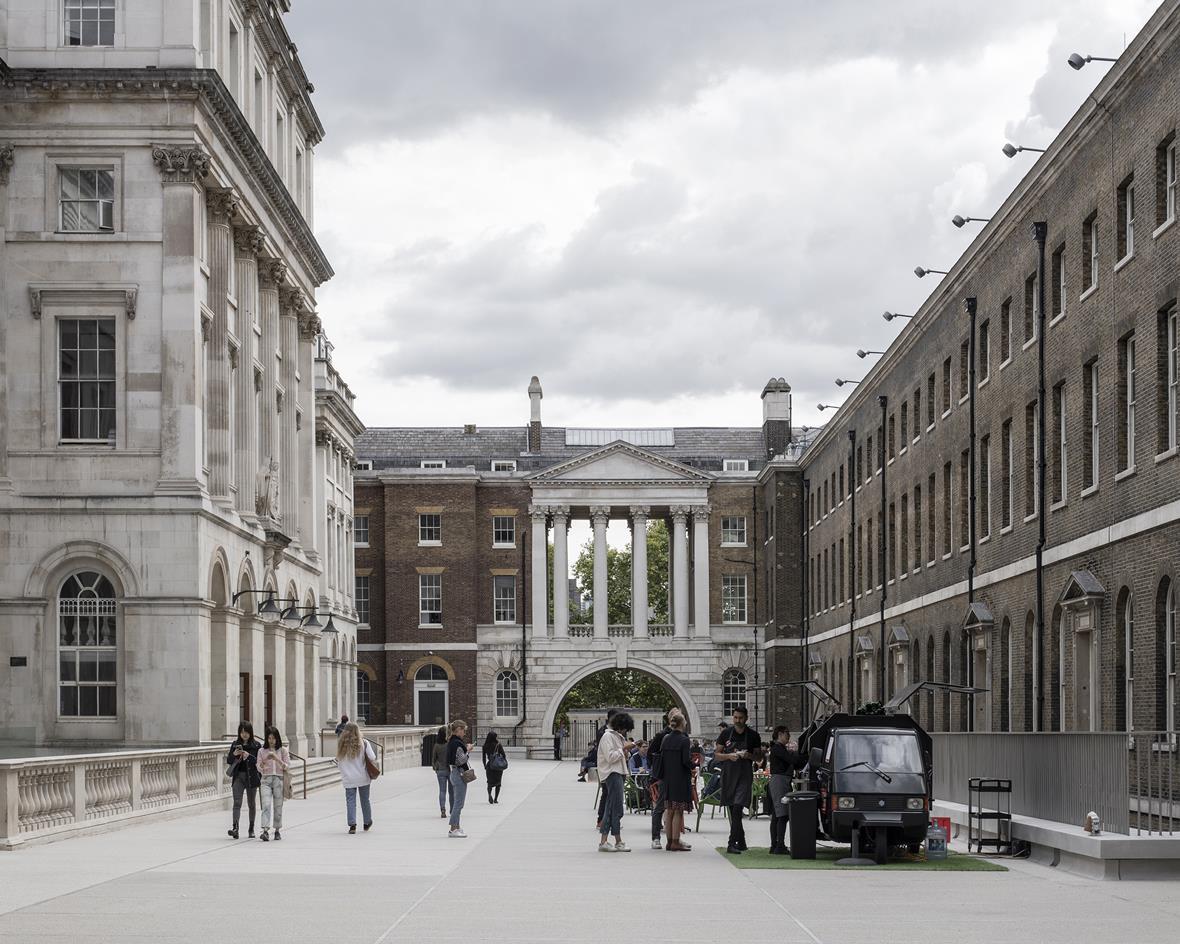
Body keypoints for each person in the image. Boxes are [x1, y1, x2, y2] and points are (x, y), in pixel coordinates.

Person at [715, 705, 762, 854]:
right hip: (728, 775)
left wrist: (749, 756)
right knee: (732, 808)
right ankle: (741, 841)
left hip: (744, 775)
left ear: (746, 718)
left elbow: (759, 757)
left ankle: (731, 843)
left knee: (737, 807)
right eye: (735, 717)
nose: (737, 720)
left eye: (740, 718)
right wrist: (729, 756)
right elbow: (717, 755)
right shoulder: (725, 733)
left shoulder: (753, 736)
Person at [596, 711, 634, 852]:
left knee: (614, 808)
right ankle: (607, 841)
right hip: (612, 774)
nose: (626, 731)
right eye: (625, 728)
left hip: (617, 773)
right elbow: (611, 757)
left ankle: (614, 840)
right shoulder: (608, 737)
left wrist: (626, 750)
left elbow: (621, 755)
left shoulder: (616, 737)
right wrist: (624, 748)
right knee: (614, 808)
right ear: (620, 726)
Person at [768, 726, 805, 855]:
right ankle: (779, 845)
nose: (788, 736)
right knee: (782, 815)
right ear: (780, 734)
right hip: (780, 781)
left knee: (777, 815)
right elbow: (792, 760)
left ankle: (775, 845)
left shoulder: (777, 748)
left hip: (780, 781)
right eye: (787, 733)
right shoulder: (778, 748)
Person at [660, 710, 694, 851]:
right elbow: (685, 760)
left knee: (669, 810)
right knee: (678, 810)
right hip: (680, 778)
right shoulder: (684, 740)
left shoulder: (666, 738)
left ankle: (668, 842)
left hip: (668, 778)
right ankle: (675, 842)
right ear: (681, 723)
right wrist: (693, 766)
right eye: (685, 721)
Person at [336, 721, 377, 834]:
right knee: (365, 800)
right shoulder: (364, 743)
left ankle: (352, 824)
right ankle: (367, 822)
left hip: (348, 778)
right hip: (362, 776)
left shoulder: (341, 744)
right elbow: (372, 757)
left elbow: (339, 761)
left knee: (350, 801)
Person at [225, 721, 260, 839]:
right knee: (237, 802)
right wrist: (234, 754)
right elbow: (229, 761)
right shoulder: (235, 744)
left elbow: (259, 761)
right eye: (242, 732)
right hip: (238, 777)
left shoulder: (256, 745)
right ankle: (235, 828)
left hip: (252, 777)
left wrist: (248, 756)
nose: (244, 735)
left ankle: (251, 828)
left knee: (251, 804)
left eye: (247, 732)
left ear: (251, 733)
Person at [256, 724, 290, 842]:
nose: (271, 741)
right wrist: (264, 761)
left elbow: (286, 767)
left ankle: (277, 830)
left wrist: (276, 758)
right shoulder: (261, 751)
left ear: (277, 738)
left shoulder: (283, 751)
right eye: (269, 738)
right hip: (265, 780)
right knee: (265, 804)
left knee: (278, 806)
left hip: (279, 780)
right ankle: (265, 830)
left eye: (273, 738)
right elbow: (259, 767)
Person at [446, 720, 472, 837]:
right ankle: (453, 828)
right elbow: (461, 760)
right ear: (459, 730)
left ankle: (456, 827)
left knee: (458, 802)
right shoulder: (457, 743)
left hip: (454, 773)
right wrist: (468, 751)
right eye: (464, 730)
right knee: (459, 803)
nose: (465, 733)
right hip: (459, 773)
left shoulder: (452, 742)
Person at [647, 717, 670, 849]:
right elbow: (651, 754)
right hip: (663, 777)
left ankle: (674, 839)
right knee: (660, 807)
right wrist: (658, 770)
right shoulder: (661, 736)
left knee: (675, 809)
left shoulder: (683, 736)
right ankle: (656, 837)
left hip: (676, 777)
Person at [431, 725, 453, 818]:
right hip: (450, 770)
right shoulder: (449, 744)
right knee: (452, 791)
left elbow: (433, 759)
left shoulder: (436, 745)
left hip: (440, 770)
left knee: (442, 791)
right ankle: (452, 809)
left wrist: (436, 768)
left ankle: (442, 809)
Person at [482, 731, 507, 804]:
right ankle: (496, 799)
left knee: (489, 782)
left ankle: (489, 795)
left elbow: (483, 757)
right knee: (498, 783)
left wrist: (485, 765)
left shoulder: (485, 746)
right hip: (498, 766)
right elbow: (504, 755)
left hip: (490, 766)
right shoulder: (498, 745)